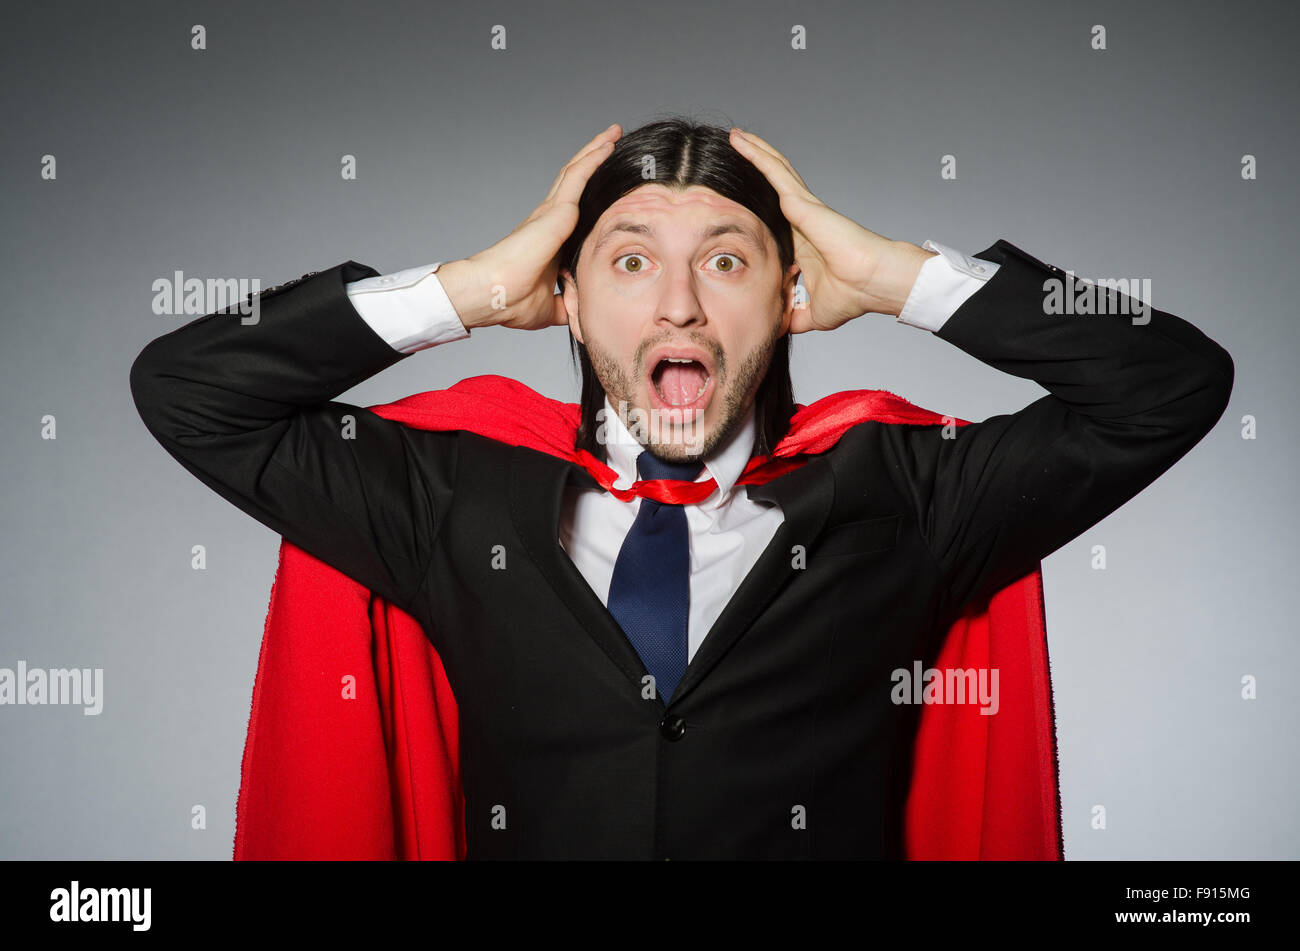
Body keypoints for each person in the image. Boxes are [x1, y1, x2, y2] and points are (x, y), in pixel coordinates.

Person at [129, 117, 1234, 859]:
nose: (677, 308)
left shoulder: (913, 495)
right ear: (565, 298)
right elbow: (188, 390)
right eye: (626, 261)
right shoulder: (450, 496)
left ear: (790, 297)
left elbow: (1169, 385)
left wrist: (904, 278)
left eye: (724, 259)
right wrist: (467, 290)